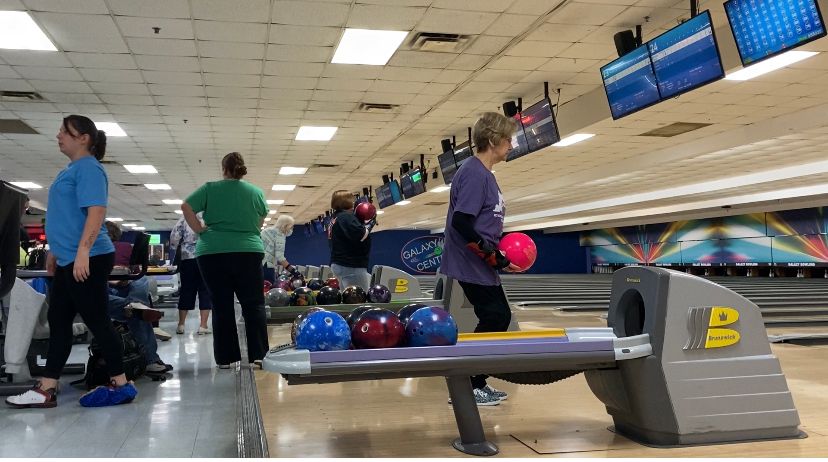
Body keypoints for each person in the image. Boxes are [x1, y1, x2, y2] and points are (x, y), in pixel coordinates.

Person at [6, 115, 137, 409]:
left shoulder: (89, 168)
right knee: (59, 321)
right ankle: (48, 387)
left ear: (84, 139)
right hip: (70, 257)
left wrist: (81, 253)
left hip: (88, 257)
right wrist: (55, 251)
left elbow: (96, 212)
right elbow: (65, 217)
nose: (58, 135)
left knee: (97, 321)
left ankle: (121, 383)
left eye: (65, 132)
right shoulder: (72, 169)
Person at [440, 112, 521, 407]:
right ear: (493, 140)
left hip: (479, 260)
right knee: (496, 316)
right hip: (469, 259)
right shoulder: (474, 172)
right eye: (508, 139)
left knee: (498, 316)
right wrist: (492, 256)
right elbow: (461, 222)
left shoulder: (484, 173)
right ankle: (469, 383)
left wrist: (498, 255)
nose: (511, 145)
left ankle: (475, 381)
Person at [181, 152, 269, 369]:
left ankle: (226, 359)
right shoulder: (255, 191)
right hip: (248, 250)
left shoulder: (210, 189)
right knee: (253, 304)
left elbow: (186, 206)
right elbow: (261, 217)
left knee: (221, 305)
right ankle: (259, 355)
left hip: (213, 251)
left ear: (224, 169)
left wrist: (199, 229)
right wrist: (249, 230)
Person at [102, 221, 171, 373]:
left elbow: (134, 270)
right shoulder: (89, 251)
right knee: (139, 313)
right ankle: (151, 360)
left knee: (140, 279)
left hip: (122, 289)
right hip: (102, 292)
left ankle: (136, 305)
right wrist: (113, 278)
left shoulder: (119, 248)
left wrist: (124, 275)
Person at [169, 214, 213, 335]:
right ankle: (203, 326)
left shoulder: (185, 218)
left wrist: (175, 246)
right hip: (206, 256)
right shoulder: (211, 216)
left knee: (186, 290)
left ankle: (181, 325)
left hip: (187, 258)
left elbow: (174, 237)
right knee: (205, 291)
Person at [328, 191, 375, 290]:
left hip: (339, 263)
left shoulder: (334, 218)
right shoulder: (346, 216)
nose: (354, 203)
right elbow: (360, 235)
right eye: (352, 200)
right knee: (358, 299)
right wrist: (370, 224)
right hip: (351, 265)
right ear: (346, 201)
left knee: (347, 298)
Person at [261, 214, 299, 284]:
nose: (292, 229)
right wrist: (295, 272)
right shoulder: (280, 235)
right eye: (291, 227)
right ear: (286, 226)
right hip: (267, 266)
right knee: (270, 290)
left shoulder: (266, 230)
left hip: (258, 264)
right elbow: (280, 257)